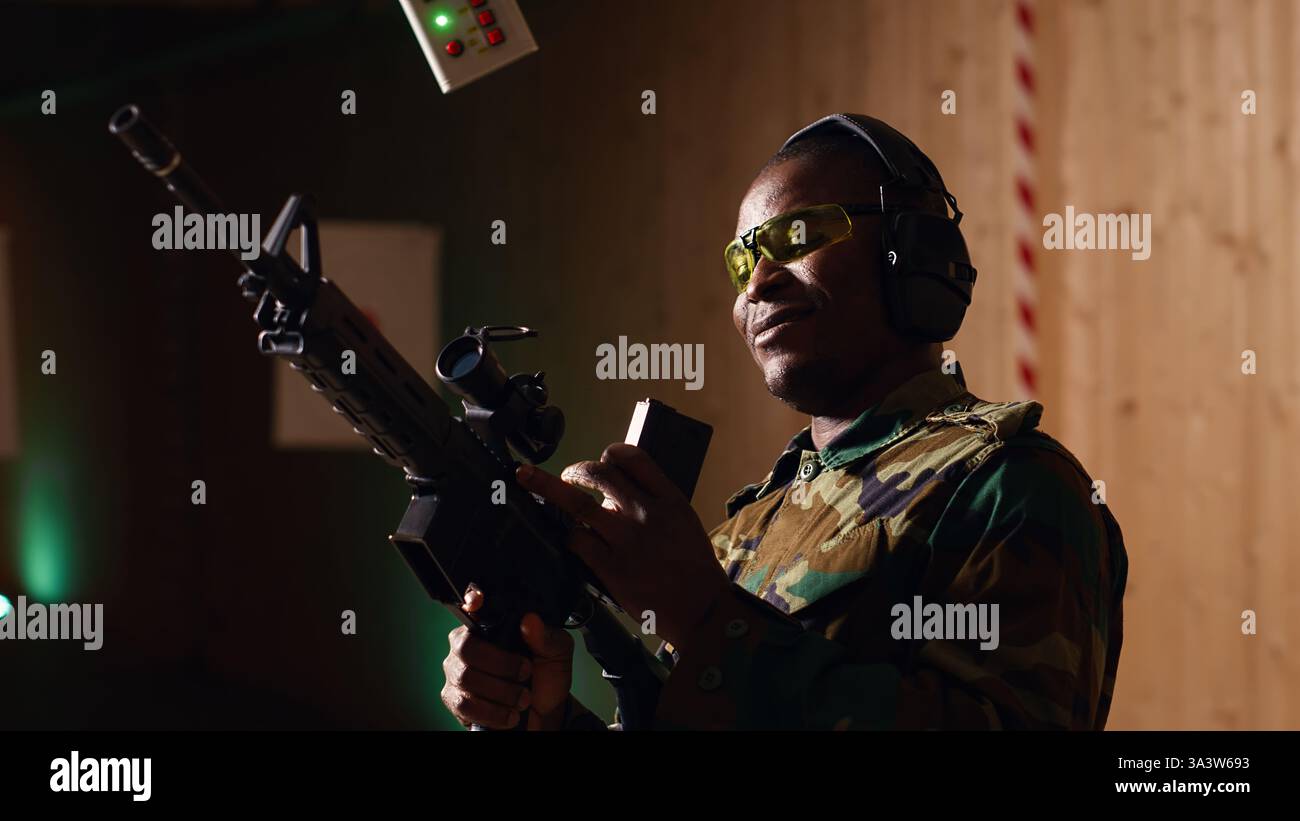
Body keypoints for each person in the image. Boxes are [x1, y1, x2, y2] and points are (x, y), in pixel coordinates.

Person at [439, 114, 1129, 730]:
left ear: (912, 255)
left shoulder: (1010, 485)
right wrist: (546, 718)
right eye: (743, 259)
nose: (757, 282)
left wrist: (709, 619)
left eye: (796, 236)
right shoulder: (746, 530)